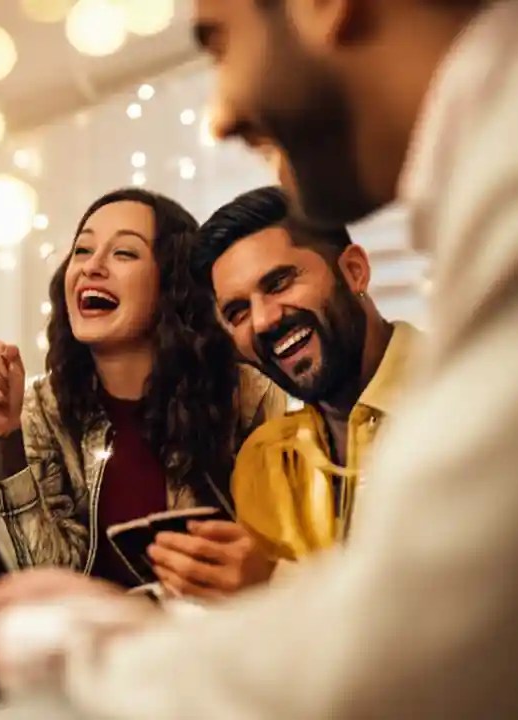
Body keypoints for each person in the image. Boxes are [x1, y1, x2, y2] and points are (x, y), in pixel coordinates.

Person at [0, 1, 518, 717]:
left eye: (219, 39)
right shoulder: (74, 410)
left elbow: (401, 650)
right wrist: (8, 454)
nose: (223, 112)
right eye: (238, 308)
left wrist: (9, 641)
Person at [0, 188, 284, 592]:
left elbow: (270, 561)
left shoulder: (248, 395)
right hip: (89, 640)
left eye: (124, 253)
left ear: (171, 281)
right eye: (82, 251)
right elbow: (45, 577)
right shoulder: (41, 409)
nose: (91, 267)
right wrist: (4, 438)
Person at [153, 185, 420, 581]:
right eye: (238, 311)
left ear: (354, 271)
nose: (263, 321)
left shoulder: (468, 398)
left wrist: (272, 584)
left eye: (279, 284)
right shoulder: (264, 461)